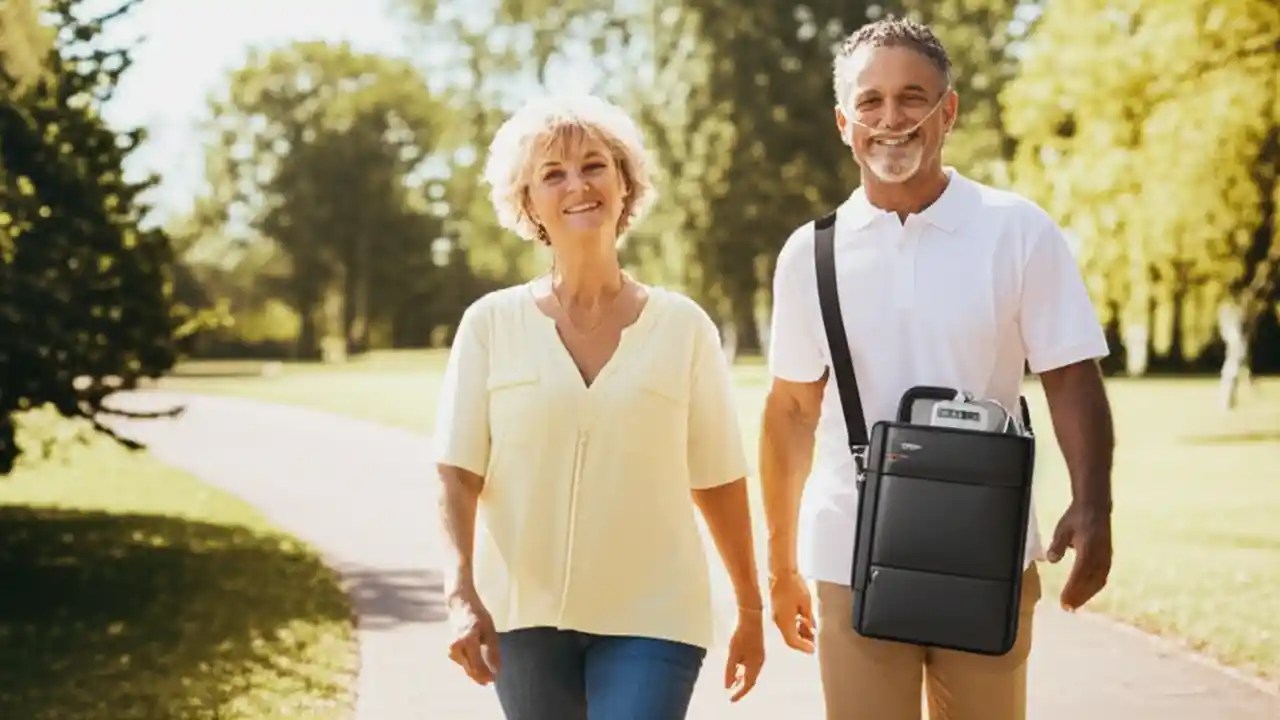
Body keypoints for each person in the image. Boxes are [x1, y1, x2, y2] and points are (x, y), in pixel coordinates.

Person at [759, 17, 1115, 720]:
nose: (891, 118)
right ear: (844, 122)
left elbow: (1071, 377)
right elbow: (792, 412)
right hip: (849, 554)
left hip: (989, 547)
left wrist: (1093, 502)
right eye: (871, 101)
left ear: (947, 110)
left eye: (912, 97)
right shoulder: (811, 254)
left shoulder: (1015, 230)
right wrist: (780, 566)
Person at [433, 92, 765, 720]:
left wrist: (750, 609)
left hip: (656, 613)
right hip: (524, 614)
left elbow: (719, 478)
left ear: (624, 184)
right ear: (528, 203)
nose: (577, 185)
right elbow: (456, 471)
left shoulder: (683, 327)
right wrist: (461, 594)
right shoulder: (489, 324)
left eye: (593, 166)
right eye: (552, 174)